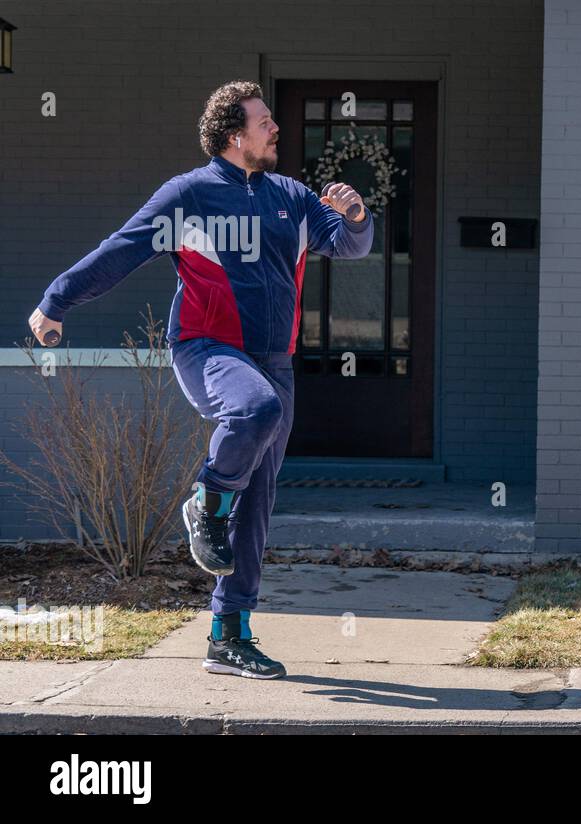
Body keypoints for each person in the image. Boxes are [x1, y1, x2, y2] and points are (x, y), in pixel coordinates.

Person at [28, 80, 374, 679]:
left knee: (258, 501)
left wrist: (358, 213)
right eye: (264, 122)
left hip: (275, 361)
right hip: (206, 348)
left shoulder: (290, 196)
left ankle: (228, 635)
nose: (275, 129)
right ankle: (207, 500)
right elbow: (122, 251)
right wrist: (56, 301)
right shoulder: (189, 194)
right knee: (254, 412)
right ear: (235, 135)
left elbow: (349, 245)